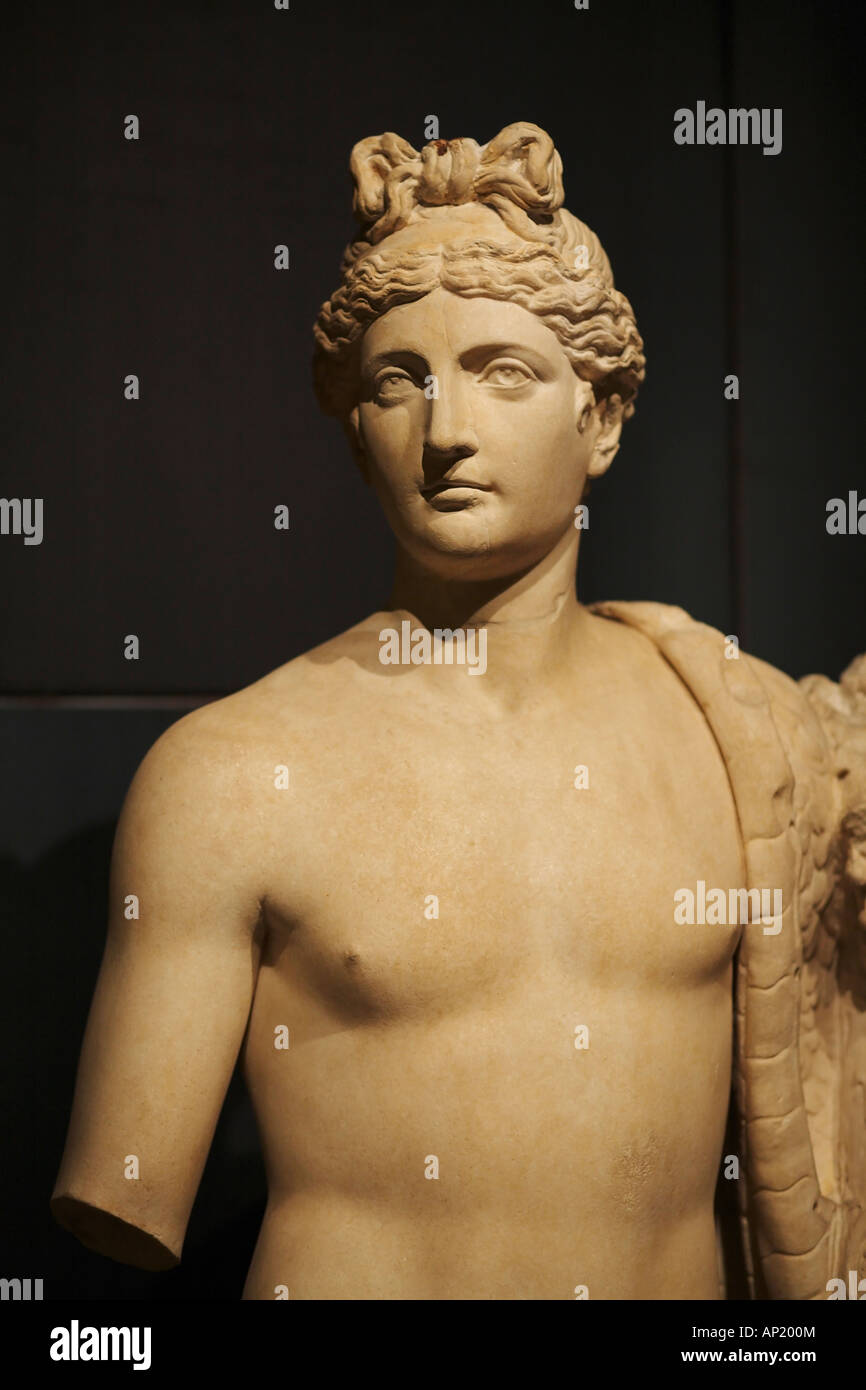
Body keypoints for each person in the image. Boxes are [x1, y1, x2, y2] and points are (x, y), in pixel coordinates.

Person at [52, 123, 866, 1300]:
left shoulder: (747, 742)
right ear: (352, 426)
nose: (443, 432)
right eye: (399, 381)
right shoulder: (230, 775)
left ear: (601, 419)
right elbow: (122, 1192)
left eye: (501, 371)